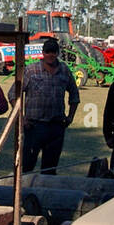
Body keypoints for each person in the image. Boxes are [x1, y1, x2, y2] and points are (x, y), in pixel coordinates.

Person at [10, 37, 79, 175]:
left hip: (56, 126)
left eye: (53, 52)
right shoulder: (31, 70)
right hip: (34, 126)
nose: (51, 55)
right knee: (26, 167)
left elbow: (74, 95)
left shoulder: (64, 70)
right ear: (42, 53)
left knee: (50, 169)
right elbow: (13, 94)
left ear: (58, 53)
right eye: (48, 52)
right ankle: (22, 195)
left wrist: (70, 117)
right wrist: (22, 118)